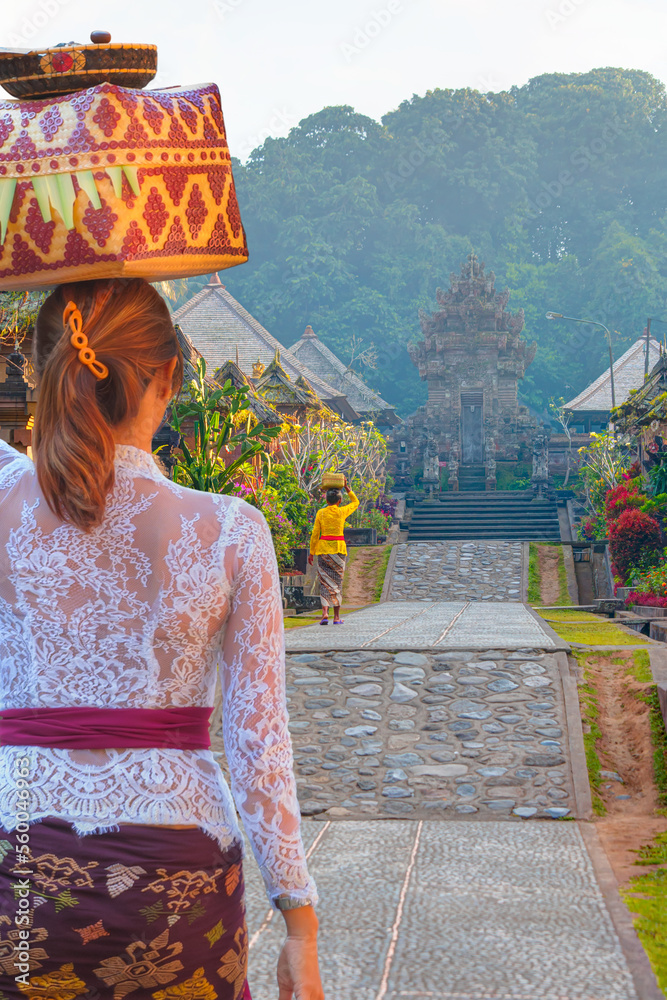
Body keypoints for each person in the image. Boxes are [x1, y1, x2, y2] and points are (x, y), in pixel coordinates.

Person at [0, 278, 323, 1000]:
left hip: (17, 863)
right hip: (177, 872)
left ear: (40, 369)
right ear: (172, 376)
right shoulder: (231, 530)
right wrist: (298, 923)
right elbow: (258, 743)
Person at [308, 477, 359, 624]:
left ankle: (325, 613)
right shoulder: (342, 512)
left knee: (324, 581)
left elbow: (315, 534)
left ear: (326, 500)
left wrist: (311, 552)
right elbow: (356, 502)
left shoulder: (321, 513)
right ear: (339, 501)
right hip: (338, 550)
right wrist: (347, 488)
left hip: (323, 549)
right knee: (337, 582)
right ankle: (336, 617)